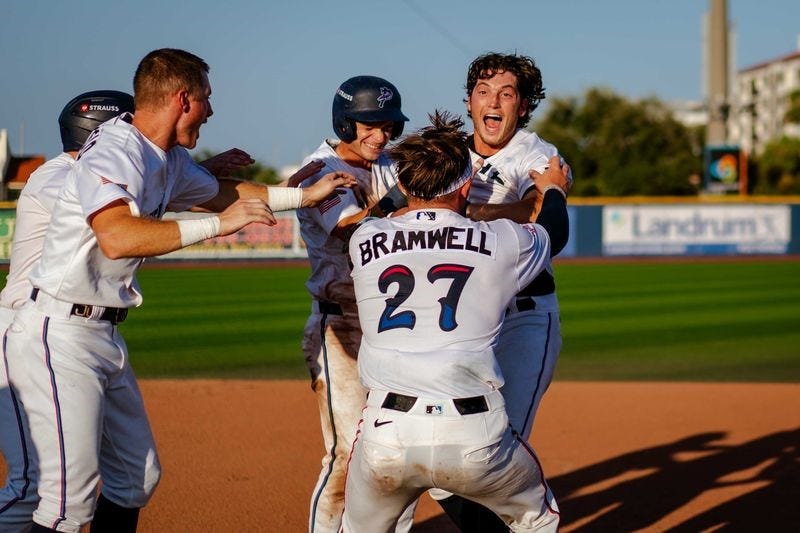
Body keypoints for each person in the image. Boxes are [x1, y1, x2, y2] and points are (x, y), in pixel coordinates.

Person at [2, 48, 356, 533]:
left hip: (101, 333)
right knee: (66, 502)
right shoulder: (115, 150)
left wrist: (304, 196)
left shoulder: (163, 155)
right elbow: (117, 236)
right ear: (183, 99)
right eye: (206, 98)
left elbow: (224, 191)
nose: (211, 111)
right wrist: (219, 225)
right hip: (57, 331)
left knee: (135, 479)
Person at [341, 110, 570, 532]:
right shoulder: (501, 240)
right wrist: (553, 188)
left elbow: (374, 215)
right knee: (536, 520)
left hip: (385, 435)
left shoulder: (364, 239)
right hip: (473, 434)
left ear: (404, 185)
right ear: (466, 186)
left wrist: (400, 191)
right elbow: (554, 232)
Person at [433, 52, 572, 531]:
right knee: (435, 454)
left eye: (506, 94)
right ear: (469, 102)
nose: (493, 103)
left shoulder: (538, 154)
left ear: (523, 106)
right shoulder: (448, 152)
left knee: (499, 448)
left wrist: (465, 214)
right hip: (466, 316)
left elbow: (539, 213)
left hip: (524, 316)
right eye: (483, 92)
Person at [0, 90, 135, 532]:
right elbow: (122, 207)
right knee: (31, 486)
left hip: (70, 334)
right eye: (128, 125)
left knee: (130, 478)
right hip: (21, 330)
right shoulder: (55, 177)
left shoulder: (92, 175)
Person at [294, 75, 410, 533]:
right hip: (340, 328)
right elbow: (349, 229)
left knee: (400, 453)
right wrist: (401, 198)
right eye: (370, 125)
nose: (381, 136)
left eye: (388, 126)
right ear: (345, 123)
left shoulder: (387, 163)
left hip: (391, 325)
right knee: (348, 453)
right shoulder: (320, 169)